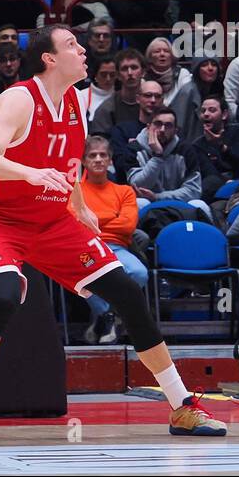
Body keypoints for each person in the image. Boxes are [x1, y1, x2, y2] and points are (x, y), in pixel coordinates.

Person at [0, 25, 226, 438]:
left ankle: (181, 405)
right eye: (71, 45)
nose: (83, 50)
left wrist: (79, 206)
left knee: (127, 292)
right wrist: (31, 174)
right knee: (5, 297)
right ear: (49, 59)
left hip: (53, 222)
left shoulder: (75, 100)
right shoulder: (18, 99)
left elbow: (67, 165)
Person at [77, 136, 149, 345]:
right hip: (86, 248)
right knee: (82, 273)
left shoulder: (124, 191)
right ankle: (107, 316)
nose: (98, 159)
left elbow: (127, 225)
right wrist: (112, 215)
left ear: (110, 160)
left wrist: (93, 218)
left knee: (139, 273)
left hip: (117, 248)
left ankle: (107, 315)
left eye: (103, 155)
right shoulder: (76, 192)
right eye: (93, 155)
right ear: (83, 161)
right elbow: (75, 225)